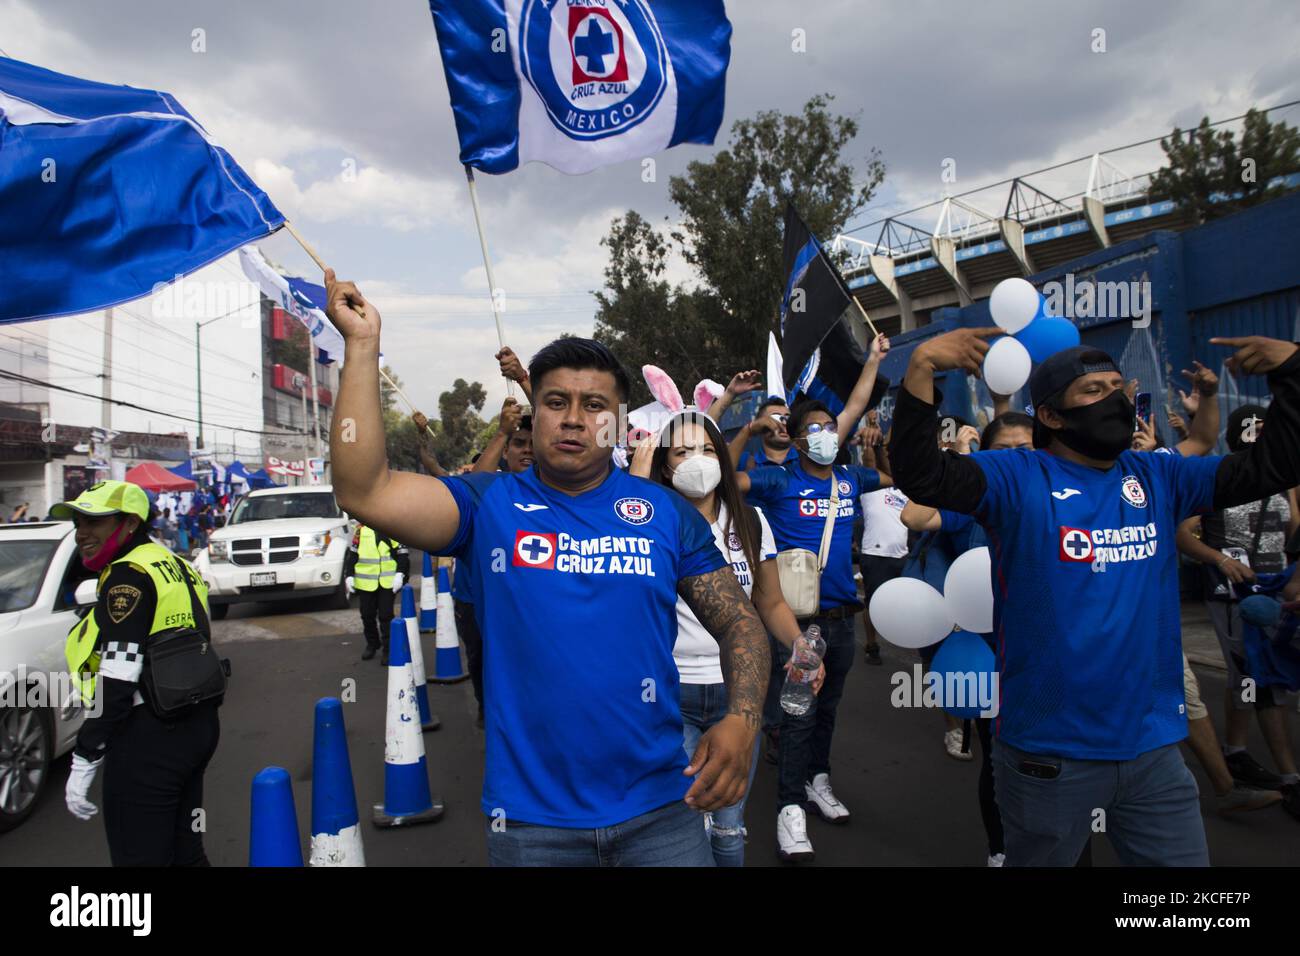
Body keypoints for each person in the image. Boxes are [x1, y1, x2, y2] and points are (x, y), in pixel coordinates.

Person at [325, 272, 769, 867]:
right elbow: (365, 490)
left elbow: (742, 623)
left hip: (664, 809)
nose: (573, 419)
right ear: (534, 415)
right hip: (531, 825)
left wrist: (742, 720)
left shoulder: (665, 513)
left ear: (616, 421)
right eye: (556, 403)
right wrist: (361, 346)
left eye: (594, 406)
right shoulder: (488, 505)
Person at [889, 329, 1300, 866]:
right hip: (1050, 754)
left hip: (1154, 750)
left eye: (1117, 387)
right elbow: (924, 477)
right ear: (1052, 417)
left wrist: (1292, 372)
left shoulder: (1159, 475)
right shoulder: (1016, 476)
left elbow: (1273, 467)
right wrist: (921, 368)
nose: (1115, 399)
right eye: (1092, 390)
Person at [631, 408, 817, 865]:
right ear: (663, 463)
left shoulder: (751, 522)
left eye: (707, 449)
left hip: (740, 695)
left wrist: (801, 645)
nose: (697, 459)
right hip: (671, 695)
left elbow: (770, 603)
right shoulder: (648, 522)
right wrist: (635, 490)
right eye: (682, 451)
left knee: (729, 824)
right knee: (684, 818)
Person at [735, 384, 890, 861]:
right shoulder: (778, 480)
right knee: (799, 714)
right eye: (813, 429)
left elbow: (892, 477)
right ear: (797, 440)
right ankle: (790, 809)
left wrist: (877, 443)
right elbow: (723, 479)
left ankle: (817, 779)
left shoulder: (851, 479)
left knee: (829, 707)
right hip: (799, 622)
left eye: (829, 427)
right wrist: (749, 430)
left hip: (843, 619)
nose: (824, 434)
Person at [57, 480, 221, 866]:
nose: (82, 532)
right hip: (195, 724)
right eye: (78, 521)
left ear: (129, 523)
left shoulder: (127, 575)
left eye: (95, 522)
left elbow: (119, 676)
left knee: (139, 858)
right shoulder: (174, 563)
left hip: (149, 735)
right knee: (186, 852)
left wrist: (85, 755)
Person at [1176, 402, 1300, 797]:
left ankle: (1238, 749)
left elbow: (1295, 528)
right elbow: (1183, 533)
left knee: (1258, 671)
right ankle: (1255, 759)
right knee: (1249, 672)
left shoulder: (1282, 479)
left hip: (1276, 590)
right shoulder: (1218, 479)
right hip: (1233, 594)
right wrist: (1220, 559)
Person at [454, 397, 535, 728]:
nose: (527, 451)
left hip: (524, 602)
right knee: (480, 659)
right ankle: (485, 705)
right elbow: (473, 486)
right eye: (519, 444)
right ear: (506, 451)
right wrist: (502, 431)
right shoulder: (494, 489)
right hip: (473, 599)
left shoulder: (556, 493)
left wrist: (523, 377)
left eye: (534, 443)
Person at [344, 522, 410, 662]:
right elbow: (353, 555)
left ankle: (388, 649)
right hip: (366, 582)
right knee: (367, 615)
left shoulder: (391, 528)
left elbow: (403, 554)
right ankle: (372, 644)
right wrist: (349, 575)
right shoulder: (360, 531)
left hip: (387, 581)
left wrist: (400, 574)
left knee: (386, 615)